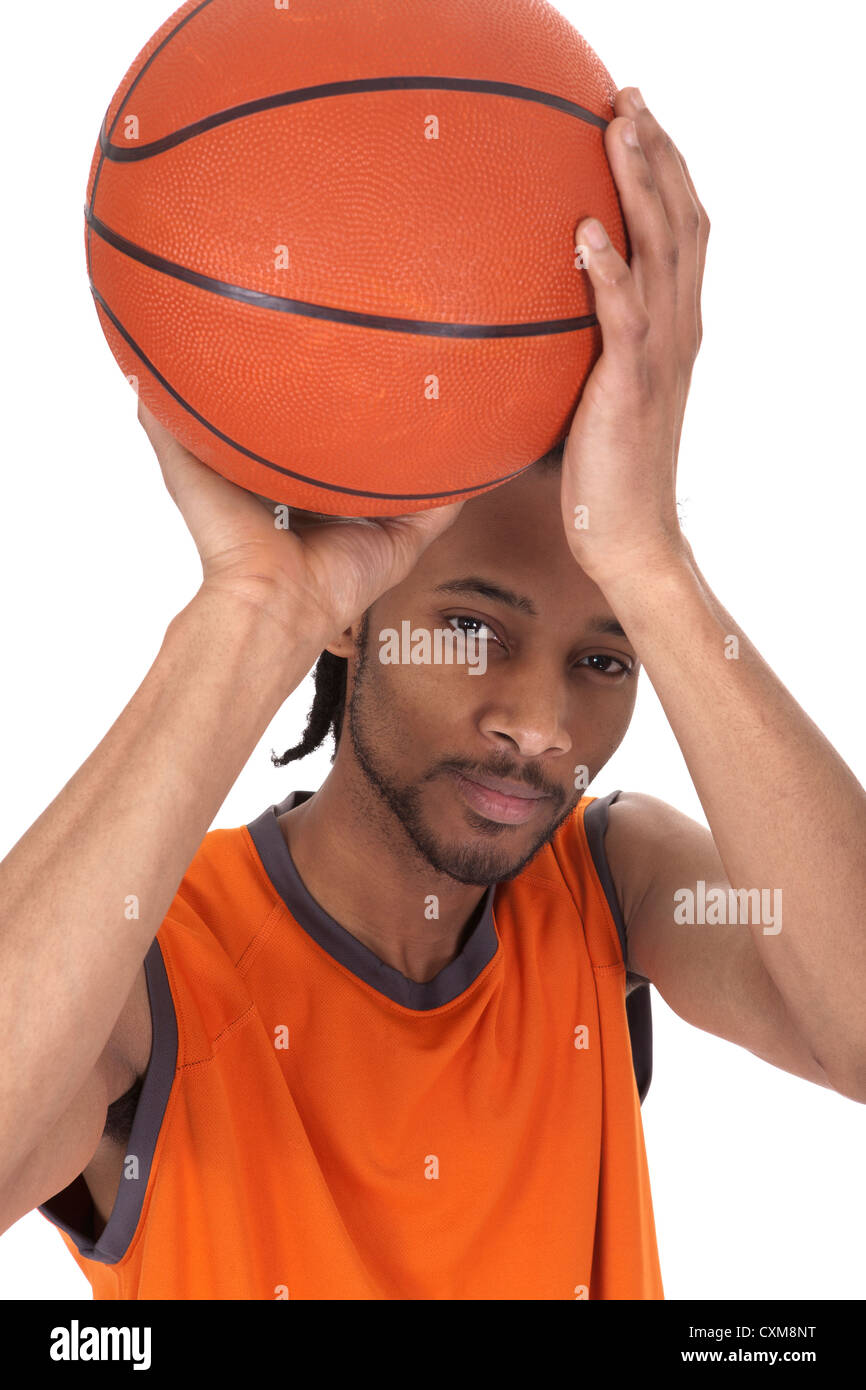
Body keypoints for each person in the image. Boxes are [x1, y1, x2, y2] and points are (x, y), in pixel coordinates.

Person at [1, 88, 863, 1300]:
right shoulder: (153, 967)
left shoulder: (617, 891)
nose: (542, 727)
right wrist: (251, 608)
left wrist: (652, 560)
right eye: (471, 628)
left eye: (605, 658)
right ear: (358, 614)